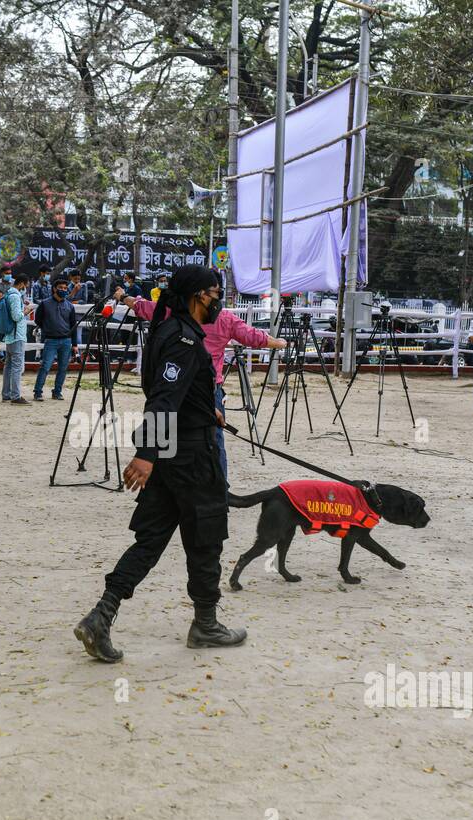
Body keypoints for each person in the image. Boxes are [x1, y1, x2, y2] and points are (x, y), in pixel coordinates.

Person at [74, 265, 247, 663]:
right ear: (198, 295)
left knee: (150, 540)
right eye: (215, 292)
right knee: (206, 538)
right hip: (190, 457)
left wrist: (208, 411)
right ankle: (206, 624)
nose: (219, 300)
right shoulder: (184, 339)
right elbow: (164, 400)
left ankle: (102, 614)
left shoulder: (167, 331)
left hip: (174, 450)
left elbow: (178, 393)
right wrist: (146, 454)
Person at [116, 285, 285, 480]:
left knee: (170, 431)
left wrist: (123, 296)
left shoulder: (171, 312)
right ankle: (219, 483)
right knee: (213, 440)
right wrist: (280, 342)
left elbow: (141, 307)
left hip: (177, 384)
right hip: (208, 388)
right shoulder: (224, 318)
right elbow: (252, 336)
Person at [32, 276, 78, 401]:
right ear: (54, 289)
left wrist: (75, 344)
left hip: (66, 341)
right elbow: (38, 320)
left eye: (65, 288)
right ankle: (37, 392)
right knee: (45, 366)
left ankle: (57, 392)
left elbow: (73, 326)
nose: (63, 290)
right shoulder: (45, 304)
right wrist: (47, 329)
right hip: (50, 340)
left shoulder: (70, 306)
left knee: (63, 368)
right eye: (60, 288)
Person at [1, 273, 31, 405]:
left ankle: (7, 394)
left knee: (8, 367)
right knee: (17, 367)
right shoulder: (14, 296)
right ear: (22, 284)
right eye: (26, 286)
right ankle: (15, 396)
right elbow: (16, 317)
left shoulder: (10, 295)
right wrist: (26, 311)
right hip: (16, 336)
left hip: (10, 336)